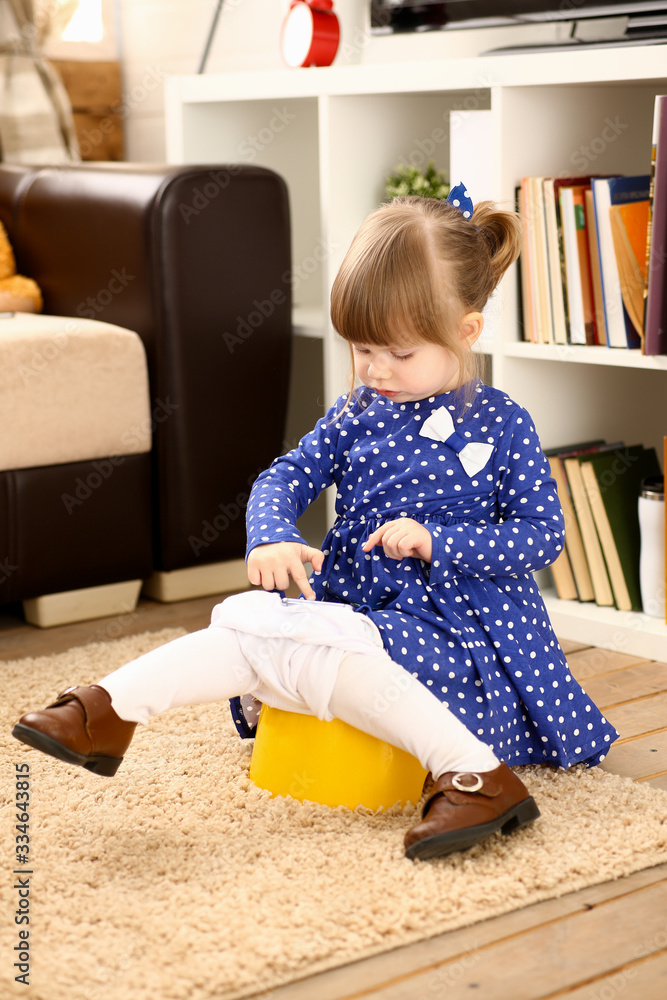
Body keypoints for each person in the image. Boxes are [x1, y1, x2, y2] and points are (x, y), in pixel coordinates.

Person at [12, 186, 618, 861]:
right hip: (355, 612)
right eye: (361, 350)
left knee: (309, 644)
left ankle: (474, 773)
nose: (375, 369)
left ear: (465, 331)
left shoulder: (502, 422)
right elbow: (286, 475)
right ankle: (105, 711)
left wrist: (436, 540)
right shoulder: (358, 409)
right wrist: (271, 532)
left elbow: (542, 537)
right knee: (252, 620)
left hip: (457, 634)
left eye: (398, 353)